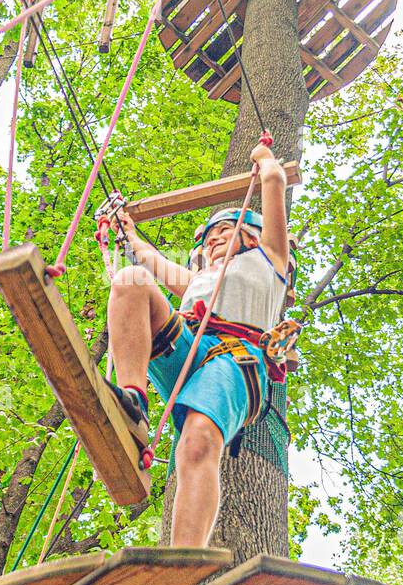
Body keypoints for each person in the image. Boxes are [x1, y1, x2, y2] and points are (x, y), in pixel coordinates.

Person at [105, 139, 290, 547]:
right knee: (130, 281)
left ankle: (183, 557)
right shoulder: (197, 280)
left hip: (237, 358)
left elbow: (275, 180)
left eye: (226, 230)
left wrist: (262, 158)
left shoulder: (269, 262)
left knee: (198, 440)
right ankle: (132, 399)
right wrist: (124, 229)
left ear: (254, 237)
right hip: (189, 346)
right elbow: (142, 256)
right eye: (208, 237)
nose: (213, 239)